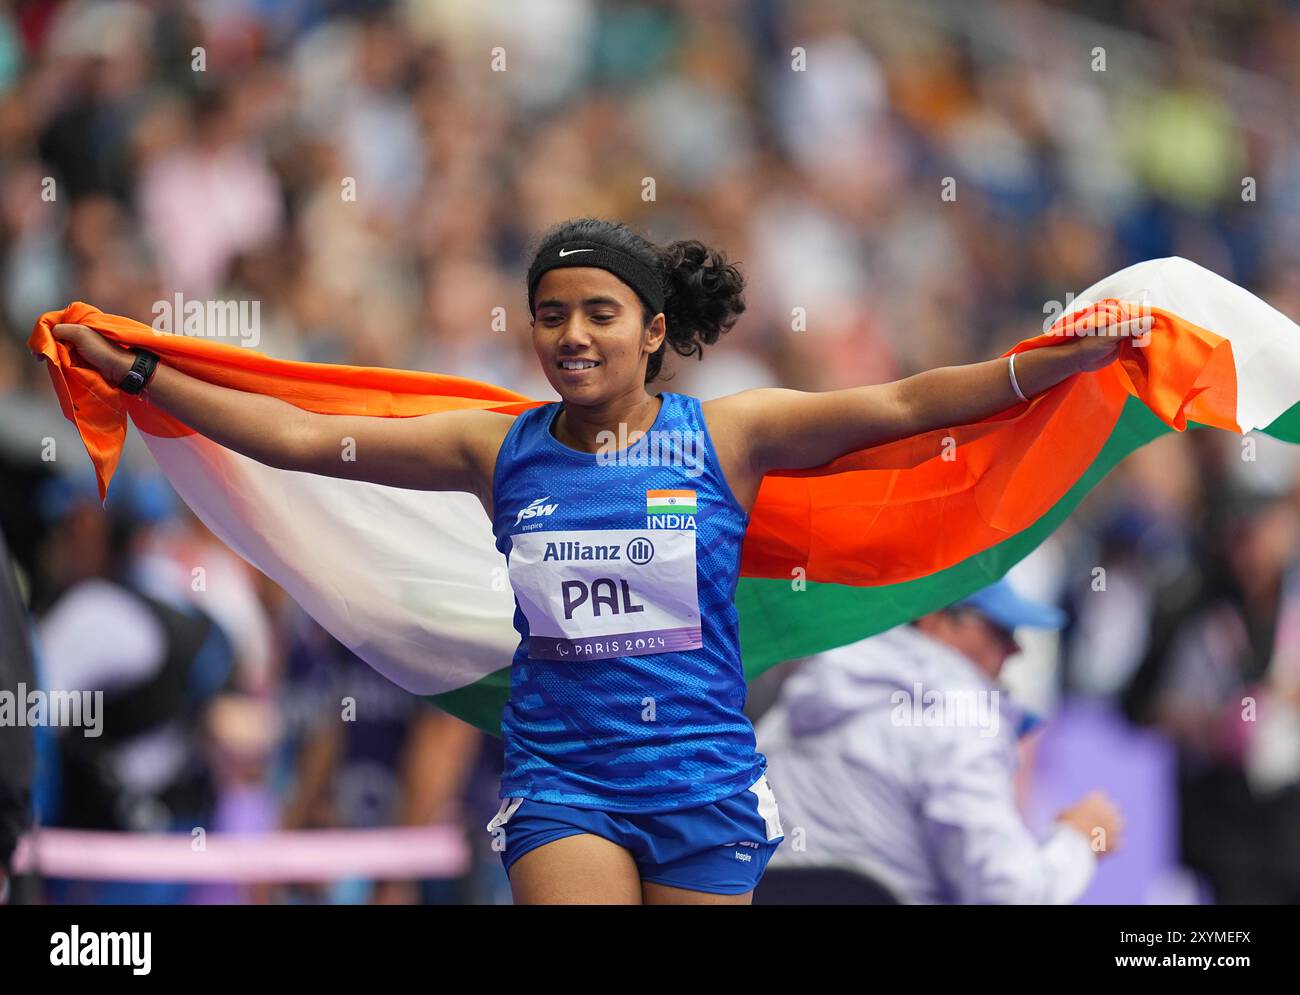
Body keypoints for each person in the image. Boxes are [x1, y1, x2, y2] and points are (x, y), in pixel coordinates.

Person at [50, 217, 1125, 904]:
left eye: (599, 313)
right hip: (564, 779)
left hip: (703, 780)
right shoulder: (493, 446)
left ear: (653, 329)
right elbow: (292, 436)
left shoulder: (727, 437)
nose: (571, 334)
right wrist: (142, 370)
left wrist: (1047, 360)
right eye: (550, 315)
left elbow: (900, 405)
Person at [754, 579, 1125, 904]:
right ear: (937, 621)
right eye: (1000, 630)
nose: (1016, 650)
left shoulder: (795, 703)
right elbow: (1009, 895)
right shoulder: (960, 719)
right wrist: (1078, 840)